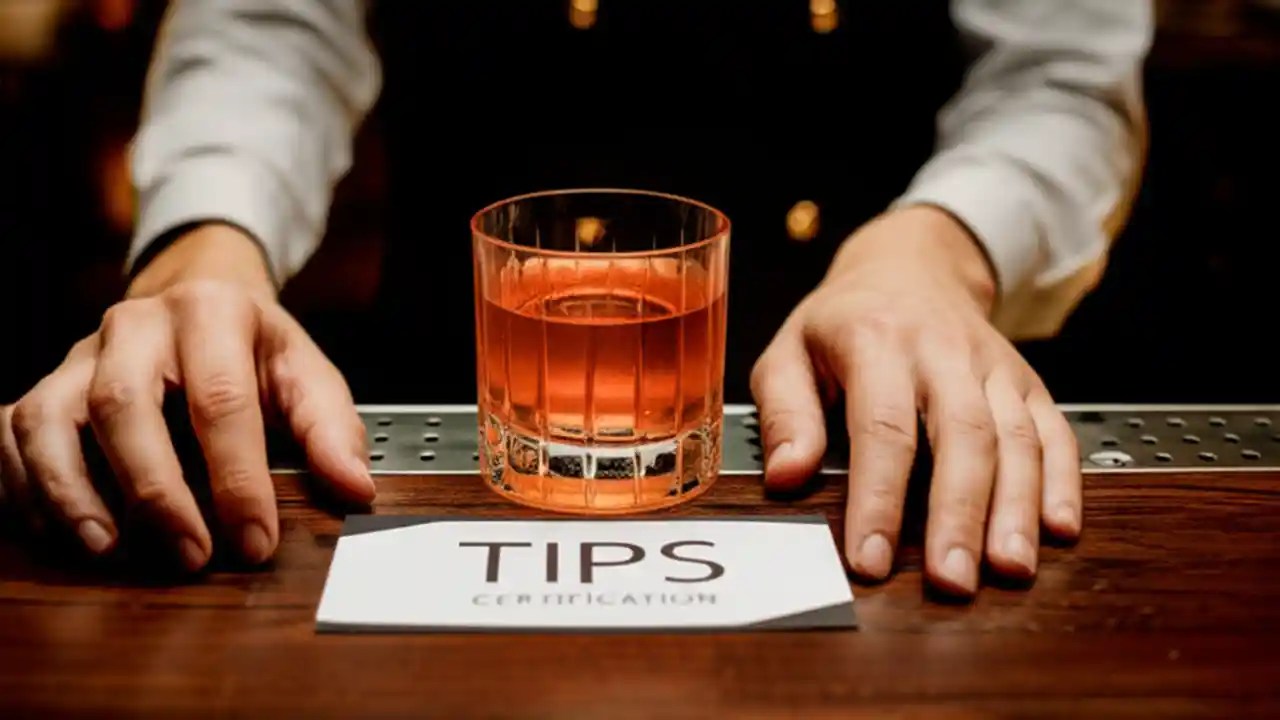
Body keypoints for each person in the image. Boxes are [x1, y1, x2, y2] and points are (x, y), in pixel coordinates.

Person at [0, 0, 1151, 597]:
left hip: (870, 442)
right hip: (454, 432)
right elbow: (267, 29)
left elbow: (1061, 73)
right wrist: (203, 251)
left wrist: (936, 253)